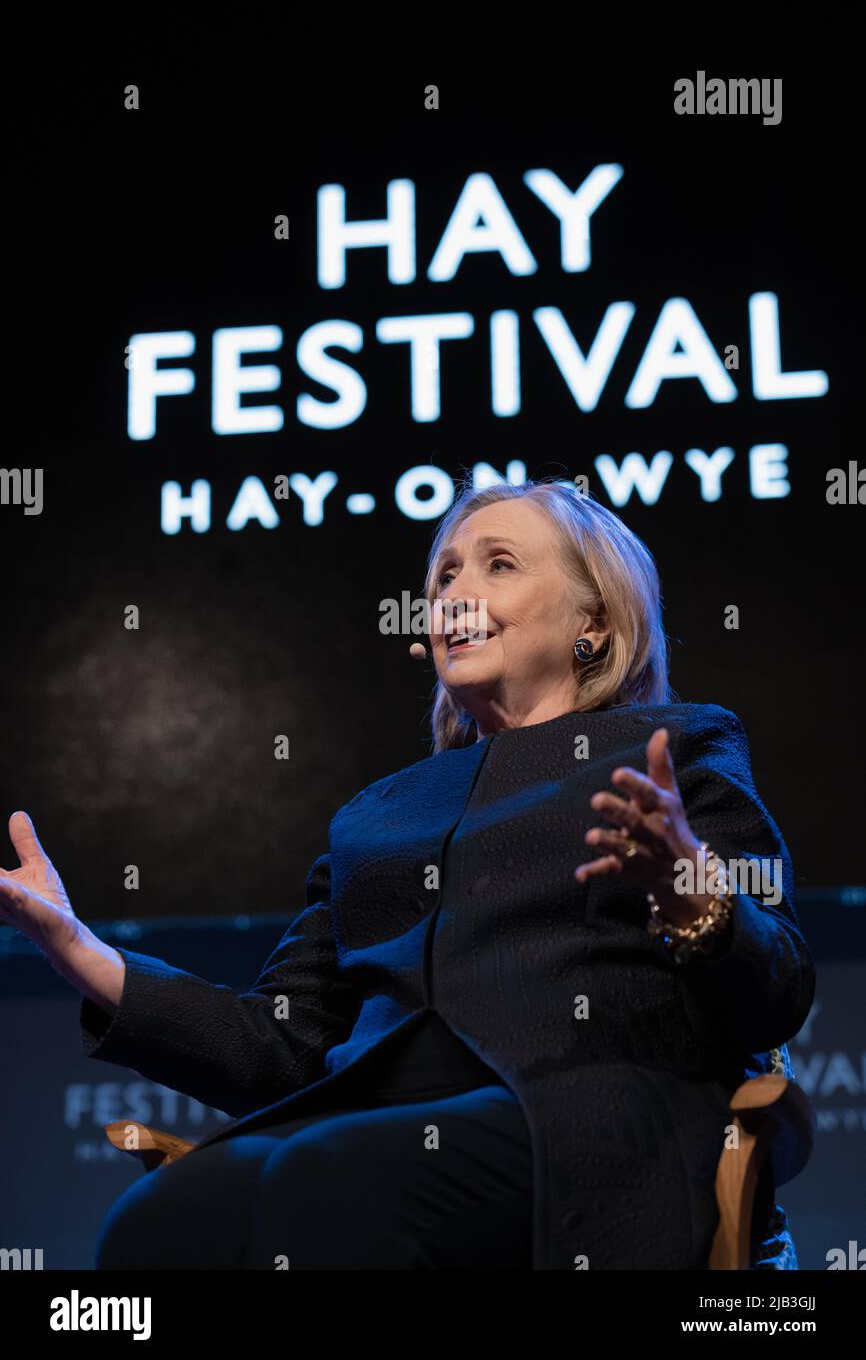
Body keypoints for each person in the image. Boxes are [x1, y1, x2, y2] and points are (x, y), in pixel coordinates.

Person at [0, 478, 815, 1270]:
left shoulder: (672, 753)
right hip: (371, 1122)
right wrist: (83, 954)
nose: (457, 591)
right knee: (160, 1222)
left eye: (500, 564)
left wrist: (692, 893)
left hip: (585, 1125)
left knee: (332, 1177)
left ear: (593, 622)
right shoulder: (377, 816)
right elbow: (286, 1048)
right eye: (445, 574)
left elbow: (778, 985)